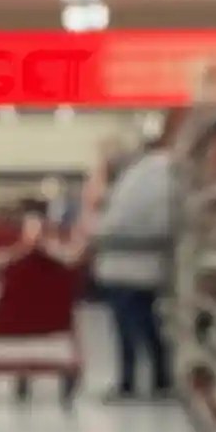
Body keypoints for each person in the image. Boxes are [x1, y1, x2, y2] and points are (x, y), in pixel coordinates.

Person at [90, 135, 174, 402]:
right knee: (147, 327)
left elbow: (122, 223)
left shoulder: (145, 176)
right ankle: (158, 381)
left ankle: (131, 384)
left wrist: (101, 232)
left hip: (127, 270)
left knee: (130, 330)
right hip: (139, 269)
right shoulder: (149, 175)